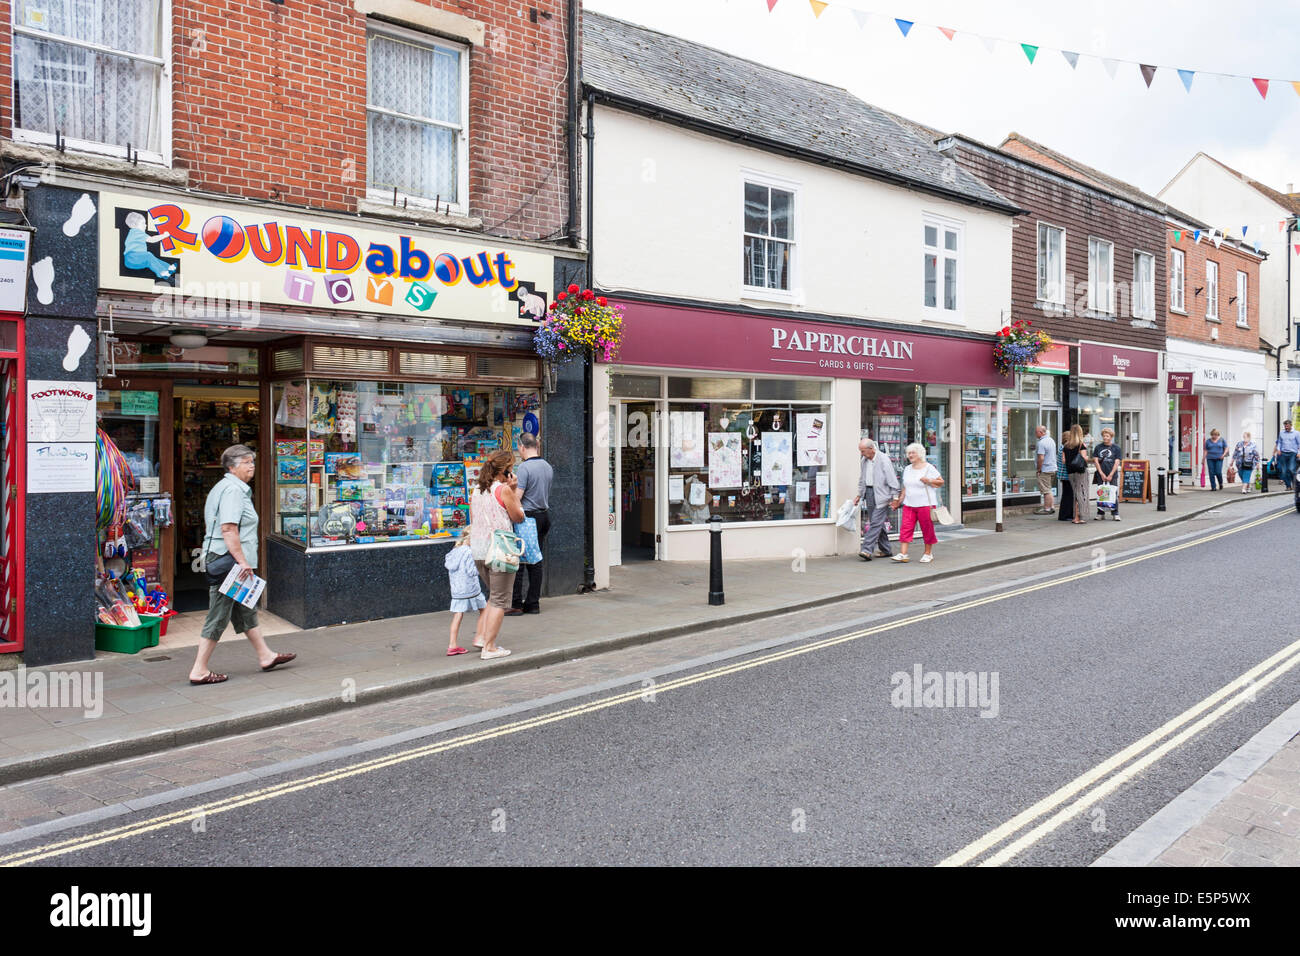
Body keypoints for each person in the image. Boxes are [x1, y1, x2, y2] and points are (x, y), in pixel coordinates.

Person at [188, 445, 295, 685]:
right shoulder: (233, 491)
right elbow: (228, 528)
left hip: (231, 560)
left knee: (245, 610)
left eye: (252, 462)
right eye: (246, 462)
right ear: (231, 466)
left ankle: (265, 655)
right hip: (230, 562)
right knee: (218, 615)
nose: (252, 466)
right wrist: (243, 562)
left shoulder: (228, 488)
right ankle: (199, 669)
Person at [469, 449, 526, 660]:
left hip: (478, 550)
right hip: (500, 551)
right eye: (512, 467)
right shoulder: (503, 490)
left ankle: (483, 638)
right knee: (500, 600)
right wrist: (513, 490)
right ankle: (490, 647)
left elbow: (475, 519)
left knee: (493, 596)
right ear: (506, 470)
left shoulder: (476, 490)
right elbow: (518, 516)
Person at [507, 432, 554, 616]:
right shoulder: (547, 466)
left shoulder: (525, 468)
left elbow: (517, 498)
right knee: (536, 560)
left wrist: (508, 491)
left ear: (521, 447)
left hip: (527, 518)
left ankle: (516, 603)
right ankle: (533, 603)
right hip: (543, 517)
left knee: (518, 560)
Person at [890, 443, 943, 564]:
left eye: (912, 453)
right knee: (905, 528)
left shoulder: (929, 468)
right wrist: (899, 500)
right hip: (909, 504)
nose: (910, 455)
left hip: (925, 504)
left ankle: (928, 553)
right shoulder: (908, 469)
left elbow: (941, 482)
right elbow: (905, 487)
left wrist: (928, 480)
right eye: (909, 453)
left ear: (919, 454)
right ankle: (903, 554)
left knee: (927, 529)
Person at [854, 438, 899, 560]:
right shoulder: (864, 460)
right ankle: (886, 549)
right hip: (869, 492)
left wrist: (895, 497)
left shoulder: (884, 459)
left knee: (875, 522)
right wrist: (859, 495)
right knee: (879, 522)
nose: (861, 453)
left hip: (882, 495)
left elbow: (892, 479)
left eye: (863, 451)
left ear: (871, 449)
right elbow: (862, 479)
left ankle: (866, 549)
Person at [443, 534, 486, 656]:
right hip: (471, 589)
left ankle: (452, 645)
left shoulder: (454, 551)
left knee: (458, 615)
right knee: (485, 610)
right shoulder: (469, 552)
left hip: (457, 590)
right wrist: (482, 564)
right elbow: (472, 571)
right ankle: (479, 637)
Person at [1063, 424, 1091, 525]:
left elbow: (1064, 460)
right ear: (1080, 432)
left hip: (1070, 471)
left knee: (1075, 493)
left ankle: (1075, 517)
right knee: (1082, 492)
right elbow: (1084, 459)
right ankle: (1081, 516)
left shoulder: (1066, 446)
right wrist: (1087, 457)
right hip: (1080, 471)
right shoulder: (1081, 445)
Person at [1092, 427, 1122, 521]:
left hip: (1112, 474)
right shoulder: (1098, 447)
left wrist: (1111, 475)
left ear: (1111, 437)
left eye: (1107, 436)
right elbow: (1095, 461)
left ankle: (1115, 513)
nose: (1105, 438)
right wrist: (1101, 473)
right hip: (1101, 474)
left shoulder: (1116, 448)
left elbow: (1117, 462)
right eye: (1104, 436)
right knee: (1101, 493)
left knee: (1113, 493)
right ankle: (1100, 513)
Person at [1034, 425, 1057, 514]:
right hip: (1052, 468)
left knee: (1046, 490)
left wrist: (1039, 469)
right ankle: (1051, 506)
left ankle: (1047, 508)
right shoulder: (1051, 440)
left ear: (1041, 432)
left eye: (1036, 432)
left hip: (1045, 469)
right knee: (1049, 488)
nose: (1035, 434)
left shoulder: (1041, 443)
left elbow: (1041, 458)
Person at [1272, 420, 1299, 491]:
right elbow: (1279, 442)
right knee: (1283, 471)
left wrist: (1299, 452)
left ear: (1290, 425)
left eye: (1287, 426)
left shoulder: (1296, 433)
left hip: (1293, 453)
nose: (1286, 427)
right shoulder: (1281, 433)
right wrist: (1278, 449)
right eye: (1285, 426)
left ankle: (1295, 484)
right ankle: (1288, 486)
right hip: (1283, 453)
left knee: (1291, 469)